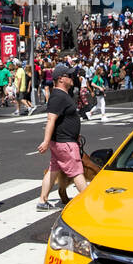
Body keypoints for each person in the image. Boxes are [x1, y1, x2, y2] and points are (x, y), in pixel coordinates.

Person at [35, 63, 88, 211]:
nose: (72, 78)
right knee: (77, 171)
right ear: (60, 79)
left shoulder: (62, 95)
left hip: (62, 141)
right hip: (65, 143)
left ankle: (42, 200)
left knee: (53, 170)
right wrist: (46, 141)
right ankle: (88, 201)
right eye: (68, 75)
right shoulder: (58, 96)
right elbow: (51, 119)